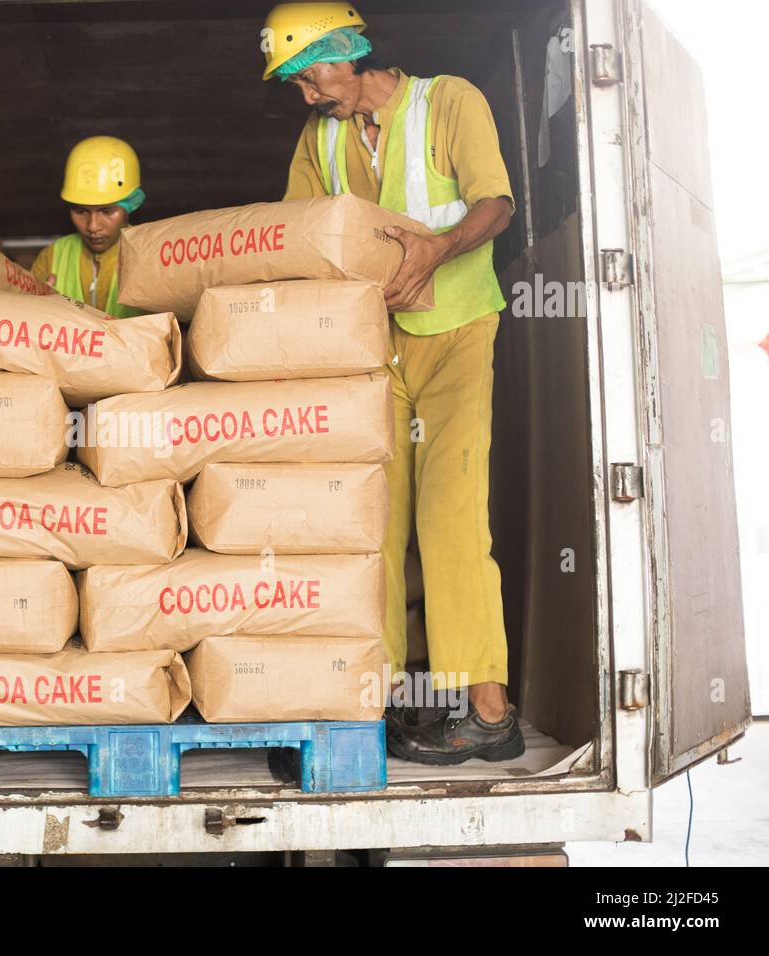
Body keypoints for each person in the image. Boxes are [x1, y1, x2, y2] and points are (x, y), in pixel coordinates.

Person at [261, 2, 524, 763]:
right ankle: (365, 707)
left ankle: (489, 712)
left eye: (311, 76)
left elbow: (496, 203)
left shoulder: (450, 101)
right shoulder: (320, 137)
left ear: (350, 50)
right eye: (297, 86)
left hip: (458, 334)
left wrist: (435, 251)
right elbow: (294, 229)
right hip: (375, 353)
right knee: (370, 532)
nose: (307, 96)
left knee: (449, 520)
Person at [32, 135, 146, 316]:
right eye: (81, 211)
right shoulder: (52, 258)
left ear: (130, 205)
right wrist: (36, 307)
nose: (93, 226)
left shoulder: (151, 257)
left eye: (106, 211)